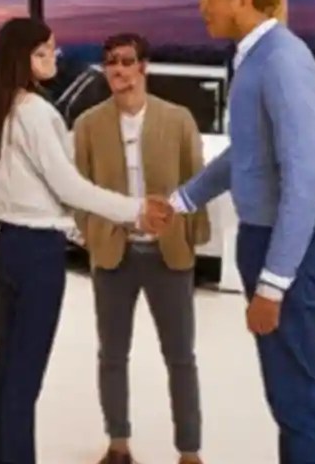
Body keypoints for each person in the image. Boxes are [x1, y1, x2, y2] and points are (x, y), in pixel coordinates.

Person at [147, 0, 315, 463]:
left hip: (287, 246)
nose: (202, 6)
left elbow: (305, 182)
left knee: (296, 397)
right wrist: (182, 199)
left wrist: (273, 284)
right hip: (263, 238)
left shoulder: (282, 61)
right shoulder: (254, 59)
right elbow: (247, 153)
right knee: (286, 394)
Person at [0, 17, 153, 464]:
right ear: (26, 58)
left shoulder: (5, 107)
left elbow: (33, 190)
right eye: (45, 51)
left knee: (6, 372)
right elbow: (69, 186)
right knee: (24, 381)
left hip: (8, 245)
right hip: (36, 254)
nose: (54, 57)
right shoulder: (37, 112)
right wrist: (134, 209)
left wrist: (77, 226)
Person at [72, 33, 210, 464]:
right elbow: (80, 189)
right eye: (110, 62)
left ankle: (189, 451)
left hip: (169, 254)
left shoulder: (178, 119)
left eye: (126, 60)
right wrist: (90, 234)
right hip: (113, 254)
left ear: (143, 66)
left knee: (181, 357)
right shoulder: (88, 124)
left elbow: (196, 180)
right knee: (112, 355)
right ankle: (118, 445)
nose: (118, 69)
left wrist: (191, 239)